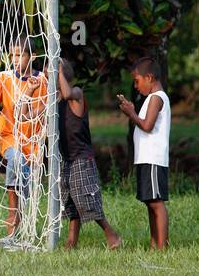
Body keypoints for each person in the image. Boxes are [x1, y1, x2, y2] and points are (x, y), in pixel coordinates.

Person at [0, 37, 47, 239]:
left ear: (32, 56)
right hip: (9, 136)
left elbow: (42, 113)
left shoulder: (43, 81)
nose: (15, 59)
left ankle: (21, 212)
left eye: (20, 55)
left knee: (24, 170)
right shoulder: (4, 78)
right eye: (12, 55)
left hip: (34, 141)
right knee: (16, 160)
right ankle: (13, 216)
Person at [58, 59, 121, 249]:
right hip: (66, 158)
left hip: (81, 158)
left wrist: (58, 69)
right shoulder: (57, 100)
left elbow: (68, 92)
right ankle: (71, 242)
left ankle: (112, 235)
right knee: (70, 202)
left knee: (86, 199)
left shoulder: (76, 93)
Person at [117, 56, 170, 250]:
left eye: (137, 81)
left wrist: (131, 113)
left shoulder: (157, 98)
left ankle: (162, 246)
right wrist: (132, 112)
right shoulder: (151, 98)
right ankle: (154, 243)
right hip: (145, 158)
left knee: (157, 203)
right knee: (150, 202)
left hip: (154, 158)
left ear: (149, 77)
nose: (136, 86)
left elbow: (147, 125)